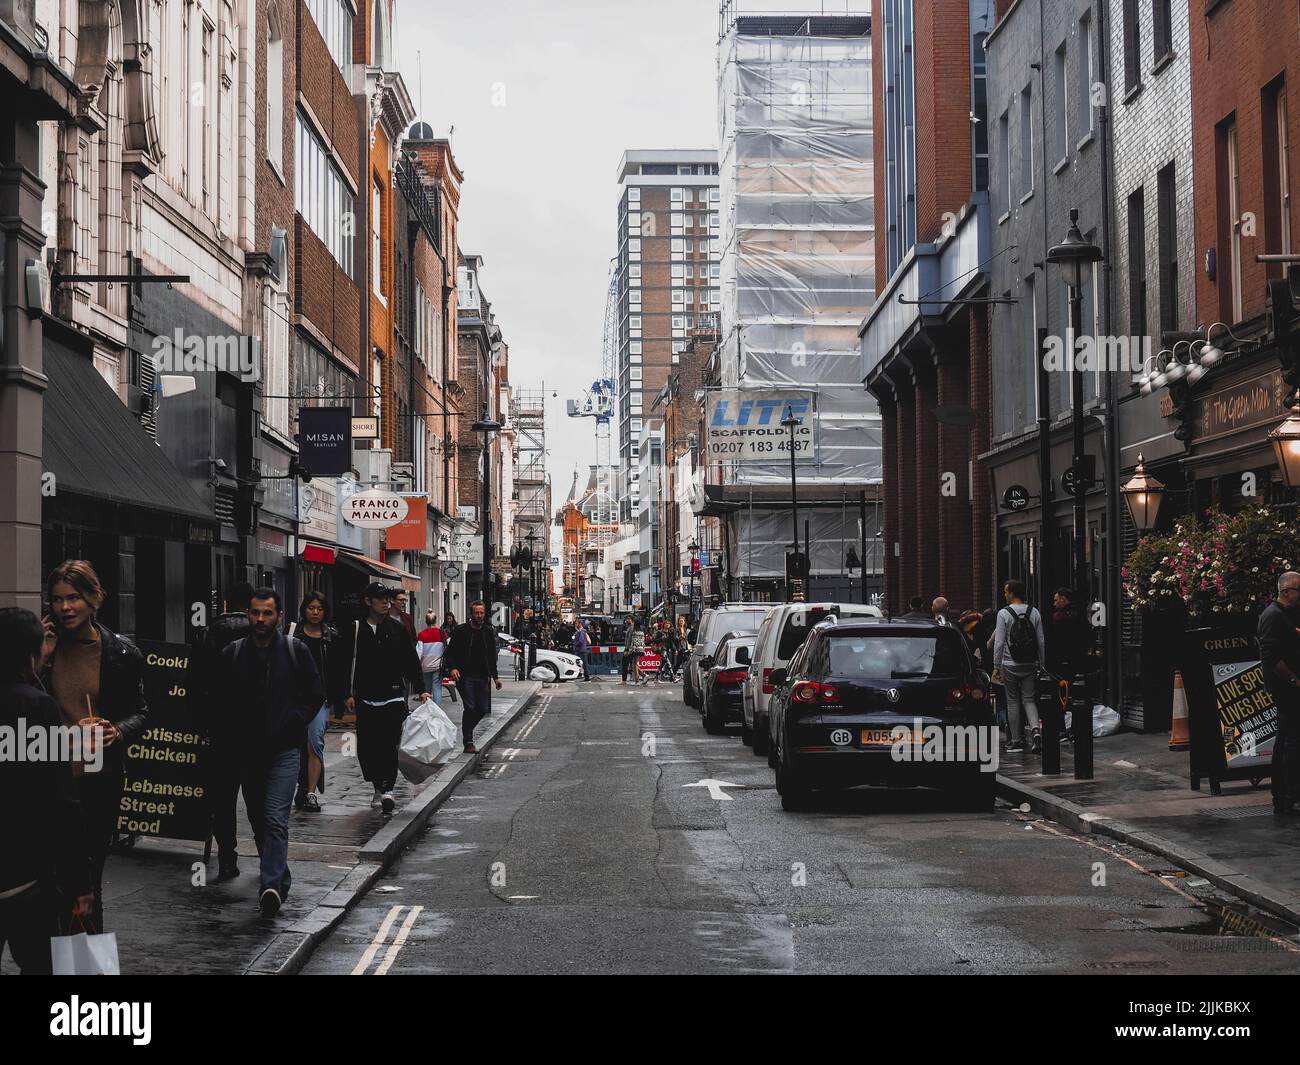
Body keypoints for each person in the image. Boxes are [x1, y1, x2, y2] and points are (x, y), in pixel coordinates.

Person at [42, 560, 148, 932]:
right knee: (49, 881)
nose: (64, 608)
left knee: (86, 882)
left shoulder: (120, 653)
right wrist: (39, 656)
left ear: (92, 599)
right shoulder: (41, 648)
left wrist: (116, 731)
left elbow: (142, 713)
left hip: (96, 781)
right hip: (47, 779)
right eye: (57, 599)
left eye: (73, 598)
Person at [216, 589, 323, 917]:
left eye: (266, 613)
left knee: (276, 818)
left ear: (278, 616)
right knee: (259, 820)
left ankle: (271, 885)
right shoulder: (233, 654)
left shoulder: (295, 651)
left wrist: (296, 720)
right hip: (248, 753)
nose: (260, 620)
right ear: (248, 614)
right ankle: (279, 876)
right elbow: (219, 701)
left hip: (284, 751)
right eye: (255, 613)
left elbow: (315, 694)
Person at [0, 608, 93, 974]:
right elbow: (60, 800)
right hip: (27, 876)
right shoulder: (38, 707)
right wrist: (79, 882)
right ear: (31, 654)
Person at [332, 583, 429, 814]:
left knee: (390, 744)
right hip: (365, 697)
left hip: (394, 695)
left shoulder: (397, 629)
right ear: (368, 601)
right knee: (368, 747)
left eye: (387, 599)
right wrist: (345, 694)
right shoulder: (355, 629)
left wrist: (421, 688)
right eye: (380, 599)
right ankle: (377, 786)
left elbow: (410, 661)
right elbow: (343, 662)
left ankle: (388, 788)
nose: (385, 603)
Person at [190, 582, 253, 879]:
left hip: (219, 728)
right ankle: (269, 858)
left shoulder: (208, 633)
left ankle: (228, 857)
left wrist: (202, 724)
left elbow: (196, 684)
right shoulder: (259, 631)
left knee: (222, 800)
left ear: (226, 603)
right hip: (254, 728)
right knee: (259, 798)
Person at [287, 591, 337, 813]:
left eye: (320, 608)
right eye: (311, 608)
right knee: (295, 744)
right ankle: (301, 786)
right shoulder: (291, 636)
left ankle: (310, 793)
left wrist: (341, 697)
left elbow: (339, 670)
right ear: (304, 609)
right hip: (294, 698)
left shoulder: (331, 637)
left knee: (314, 743)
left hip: (320, 700)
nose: (315, 613)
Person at [1259, 572, 1300, 816]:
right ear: (1286, 592)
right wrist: (1294, 679)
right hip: (1286, 690)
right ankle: (1284, 796)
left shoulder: (1287, 615)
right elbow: (1271, 656)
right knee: (1289, 742)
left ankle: (1286, 795)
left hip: (1291, 688)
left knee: (1289, 740)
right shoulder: (1272, 616)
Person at [994, 579, 1046, 754]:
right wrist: (1042, 662)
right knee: (1029, 700)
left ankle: (1016, 740)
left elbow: (999, 643)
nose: (1004, 594)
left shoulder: (1003, 613)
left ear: (1012, 593)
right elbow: (1041, 640)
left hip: (1009, 664)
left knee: (1013, 702)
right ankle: (1035, 730)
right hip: (1030, 664)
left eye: (1006, 591)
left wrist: (996, 665)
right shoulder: (1034, 612)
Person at [445, 601, 502, 754]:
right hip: (465, 676)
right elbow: (450, 653)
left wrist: (495, 677)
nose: (479, 616)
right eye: (476, 613)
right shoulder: (460, 630)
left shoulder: (488, 632)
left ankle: (467, 732)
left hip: (482, 676)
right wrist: (453, 668)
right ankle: (468, 741)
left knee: (482, 708)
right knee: (470, 707)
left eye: (481, 613)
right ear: (471, 614)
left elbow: (491, 656)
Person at [416, 611, 448, 705]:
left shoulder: (422, 634)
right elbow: (449, 645)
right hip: (438, 666)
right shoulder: (442, 633)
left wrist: (416, 665)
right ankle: (436, 709)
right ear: (435, 621)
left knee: (427, 689)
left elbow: (419, 652)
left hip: (425, 666)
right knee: (437, 687)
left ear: (426, 621)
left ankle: (427, 708)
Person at [626, 619, 647, 684]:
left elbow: (634, 642)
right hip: (641, 649)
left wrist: (630, 650)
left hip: (636, 650)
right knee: (634, 664)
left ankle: (638, 680)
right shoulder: (642, 632)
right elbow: (643, 642)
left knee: (634, 665)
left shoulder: (635, 632)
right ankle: (643, 676)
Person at [620, 614, 636, 684]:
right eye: (626, 619)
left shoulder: (631, 628)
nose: (626, 620)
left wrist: (627, 650)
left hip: (629, 649)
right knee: (632, 664)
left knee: (625, 664)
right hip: (630, 648)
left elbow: (629, 639)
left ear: (631, 620)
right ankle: (643, 676)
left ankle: (624, 681)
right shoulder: (630, 627)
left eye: (628, 619)